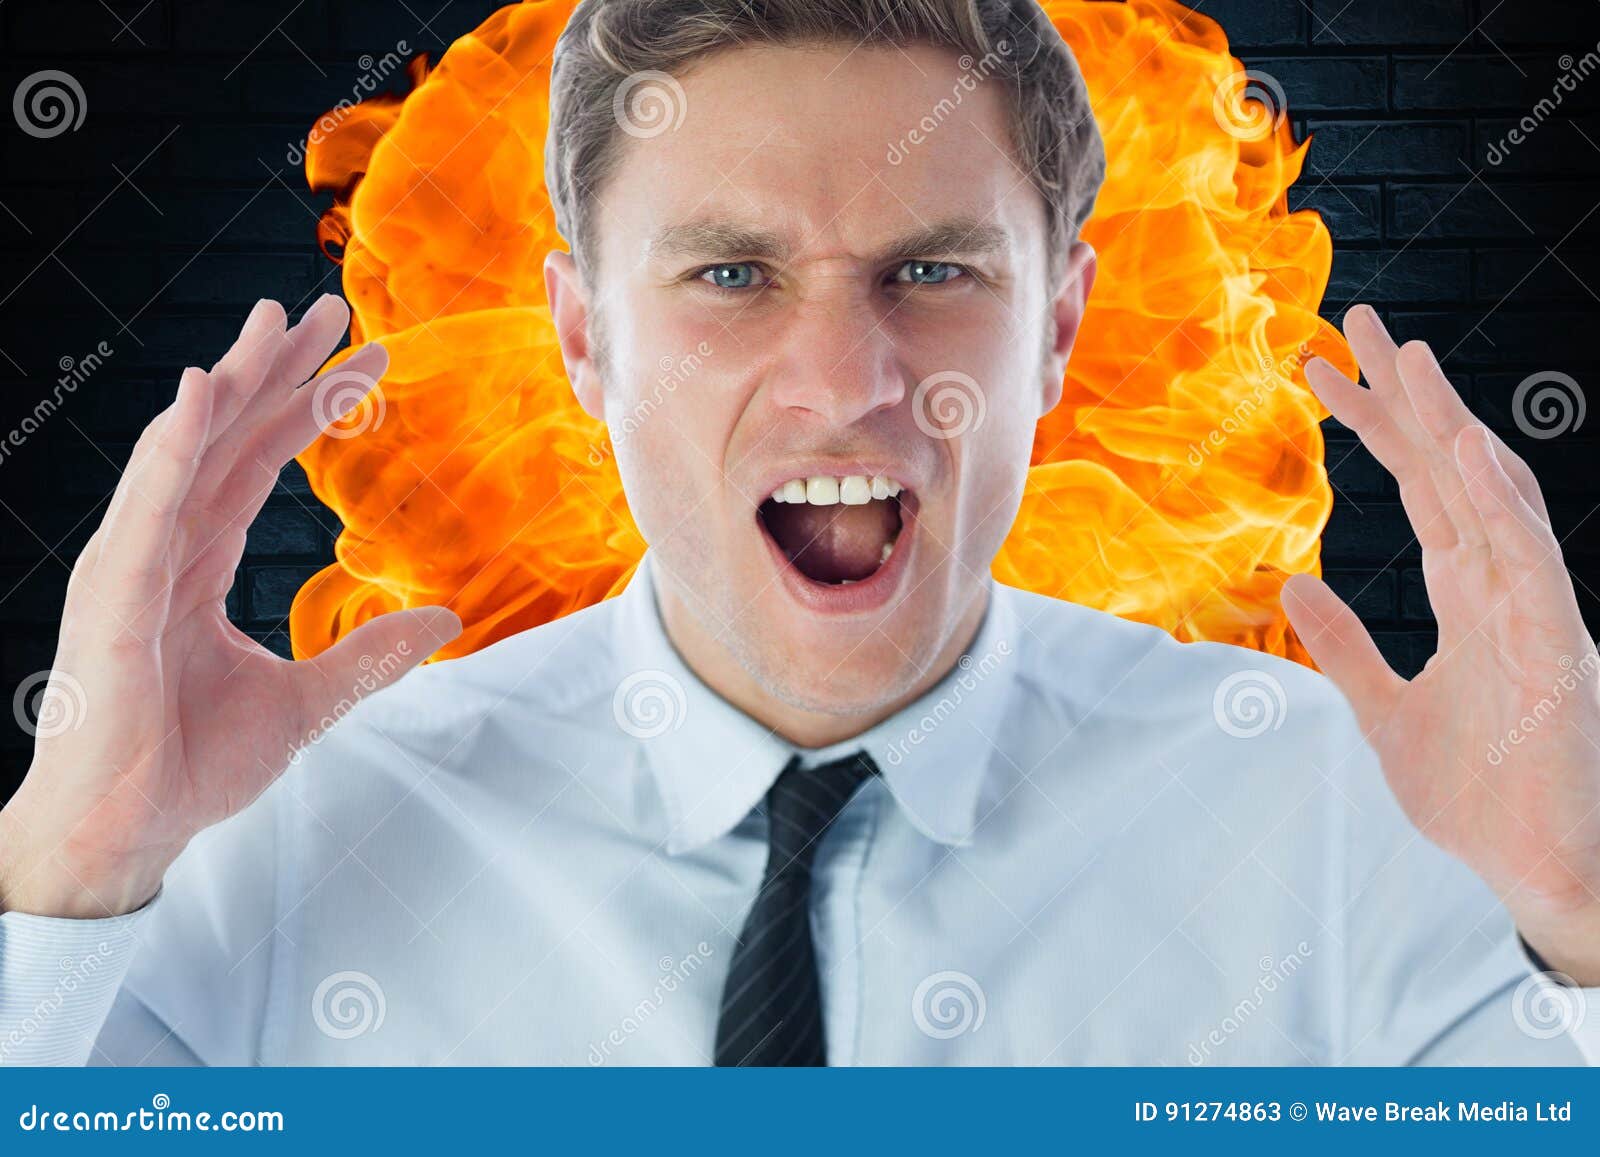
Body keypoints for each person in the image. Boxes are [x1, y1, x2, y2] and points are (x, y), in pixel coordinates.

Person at [1, 0, 1596, 1067]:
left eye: (933, 271)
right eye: (731, 275)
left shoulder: (1341, 825)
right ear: (583, 338)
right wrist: (65, 873)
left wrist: (1585, 919)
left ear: (1059, 326)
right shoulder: (290, 841)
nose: (845, 383)